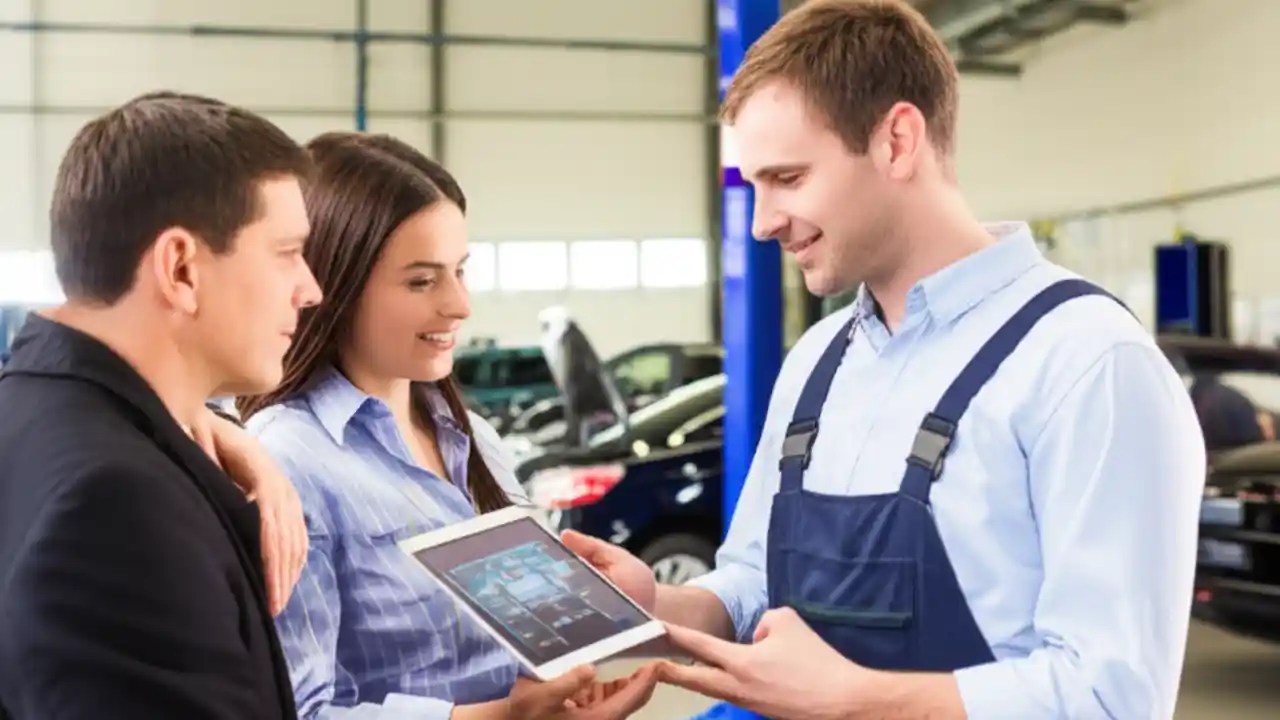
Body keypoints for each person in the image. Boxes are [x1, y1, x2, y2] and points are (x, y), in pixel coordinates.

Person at [562, 1, 1207, 718]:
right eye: (755, 186)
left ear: (898, 140)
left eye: (788, 178)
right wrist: (659, 606)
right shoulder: (816, 364)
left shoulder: (1086, 364)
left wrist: (857, 700)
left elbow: (1110, 695)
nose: (763, 222)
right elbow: (752, 582)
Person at [235, 132, 657, 719]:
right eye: (421, 280)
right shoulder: (289, 459)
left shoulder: (474, 439)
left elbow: (518, 657)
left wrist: (581, 659)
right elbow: (300, 713)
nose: (460, 304)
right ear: (333, 287)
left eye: (459, 271)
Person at [0, 92, 322, 718]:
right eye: (287, 252)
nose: (309, 289)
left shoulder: (36, 412)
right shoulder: (116, 506)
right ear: (180, 268)